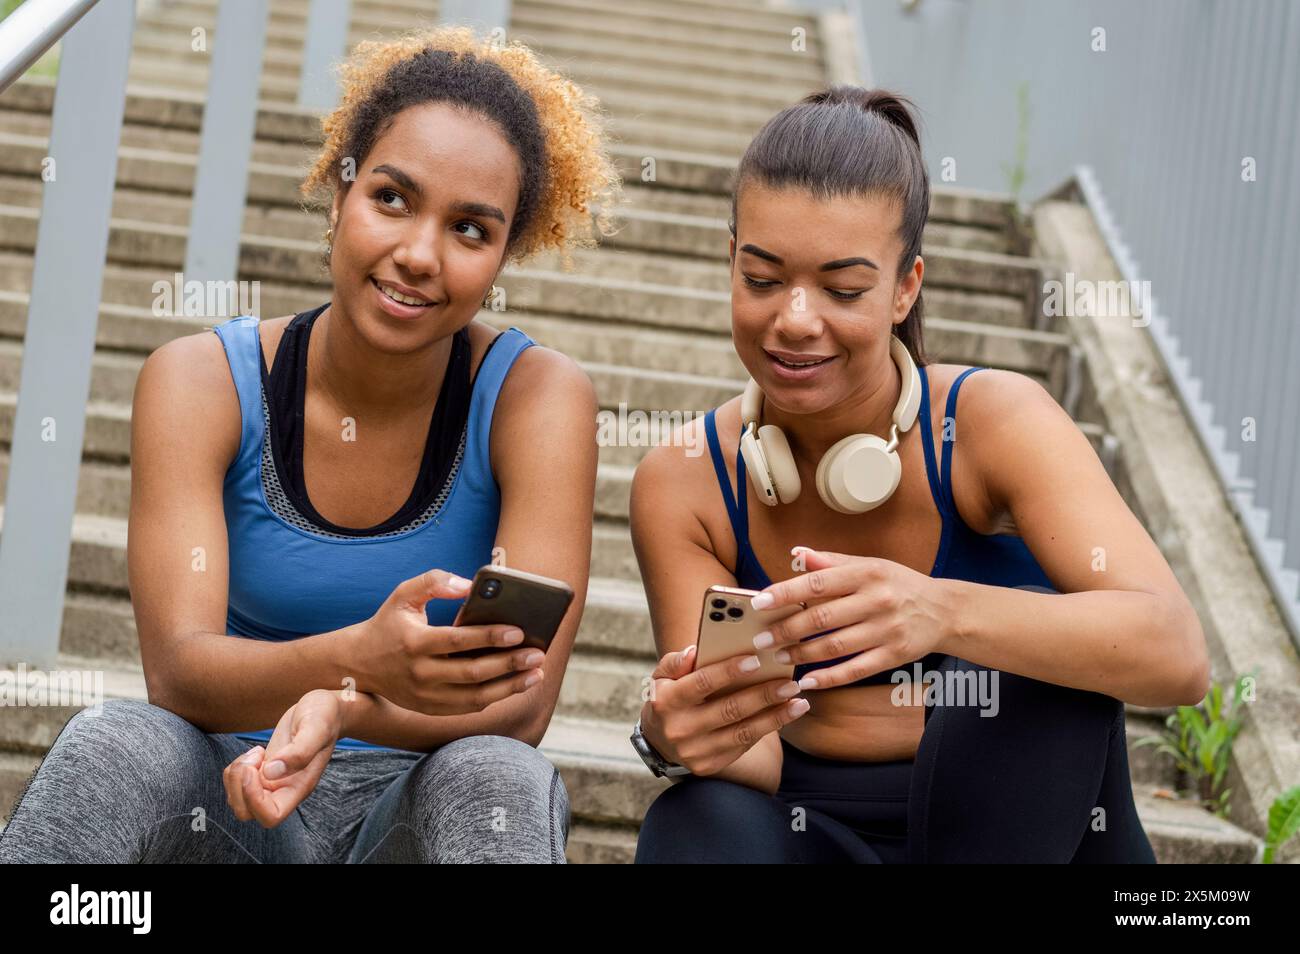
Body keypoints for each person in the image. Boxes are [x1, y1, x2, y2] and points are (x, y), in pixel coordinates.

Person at [0, 26, 620, 864]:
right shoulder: (201, 381)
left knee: (495, 774)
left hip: (415, 809)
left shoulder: (534, 396)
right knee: (119, 741)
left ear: (506, 252)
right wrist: (355, 658)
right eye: (392, 199)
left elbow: (520, 704)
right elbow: (179, 674)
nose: (418, 255)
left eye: (471, 230)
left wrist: (350, 705)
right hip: (232, 799)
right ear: (340, 193)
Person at [627, 87, 1210, 863]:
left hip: (1034, 830)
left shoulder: (992, 422)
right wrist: (674, 732)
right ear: (730, 263)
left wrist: (938, 613)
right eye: (762, 278)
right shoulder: (688, 481)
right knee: (694, 821)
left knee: (1023, 668)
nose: (795, 320)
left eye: (843, 289)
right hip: (818, 829)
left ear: (906, 287)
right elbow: (754, 753)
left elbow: (1175, 653)